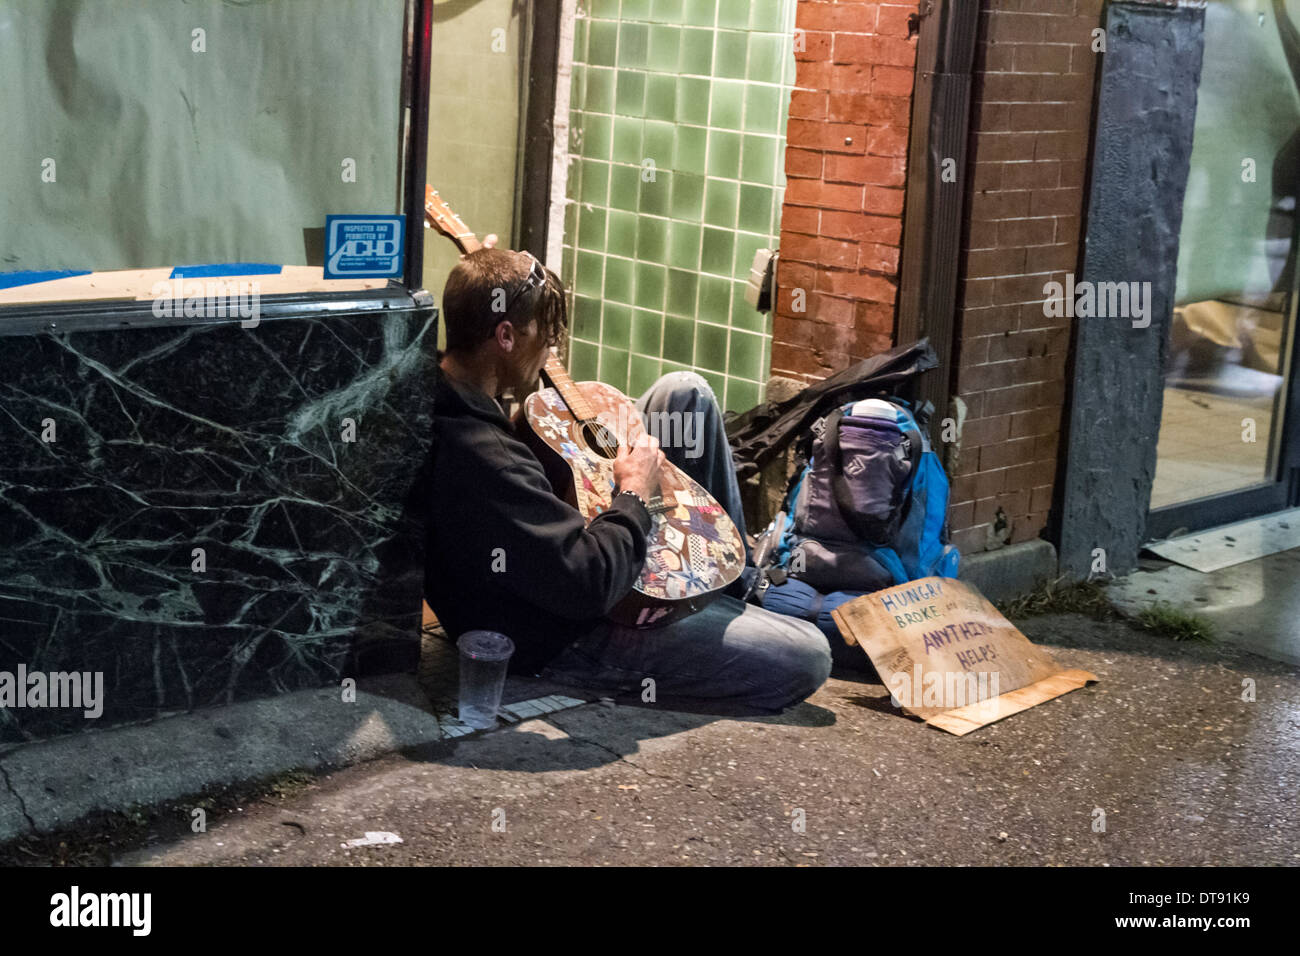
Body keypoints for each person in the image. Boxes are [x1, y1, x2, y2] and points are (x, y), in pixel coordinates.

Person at [423, 246, 831, 714]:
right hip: (569, 632)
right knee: (807, 652)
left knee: (685, 394)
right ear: (507, 335)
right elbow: (587, 582)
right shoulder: (483, 455)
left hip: (562, 561)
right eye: (544, 332)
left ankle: (732, 581)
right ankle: (687, 625)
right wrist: (633, 491)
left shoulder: (454, 390)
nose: (551, 349)